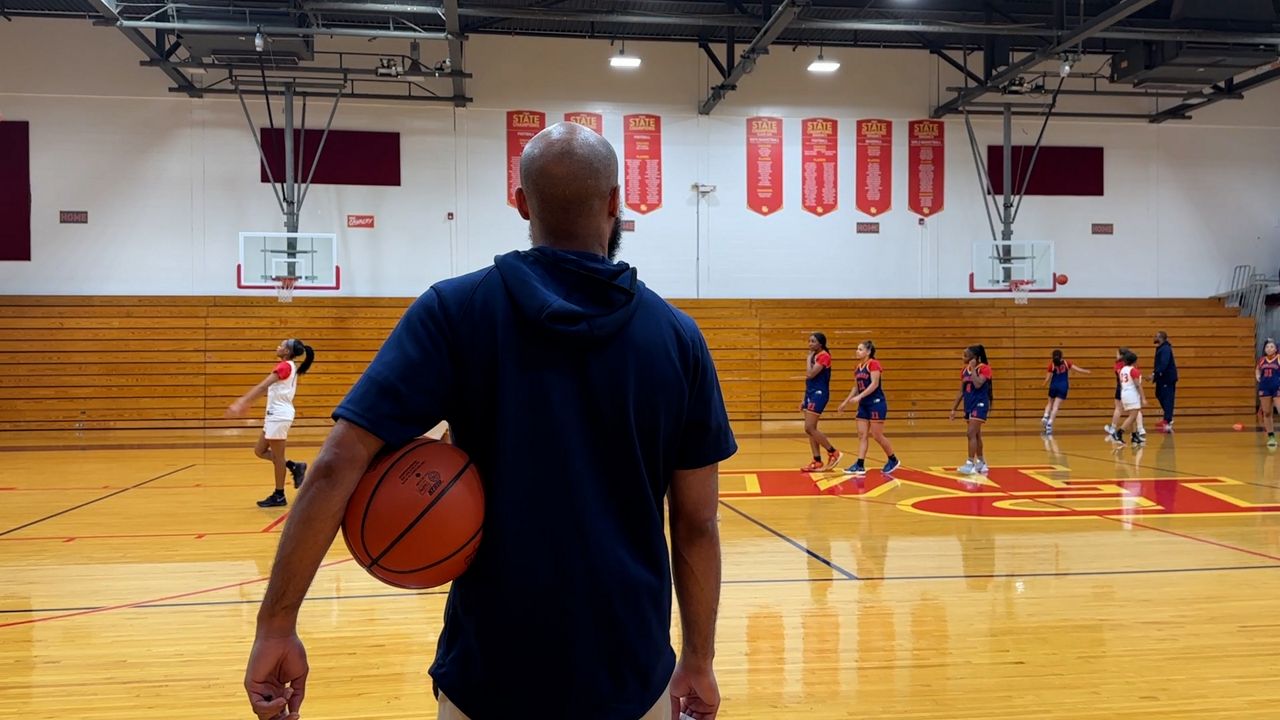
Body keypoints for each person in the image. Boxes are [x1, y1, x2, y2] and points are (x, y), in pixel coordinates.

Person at [242, 122, 737, 720]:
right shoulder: (679, 339)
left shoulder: (455, 312)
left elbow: (335, 466)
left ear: (521, 203)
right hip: (630, 675)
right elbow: (696, 525)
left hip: (488, 673)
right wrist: (700, 660)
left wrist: (276, 624)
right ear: (616, 203)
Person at [226, 338, 313, 507]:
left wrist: (242, 402)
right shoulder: (290, 366)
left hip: (279, 416)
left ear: (287, 352)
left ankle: (279, 495)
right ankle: (294, 466)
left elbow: (262, 387)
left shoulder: (284, 366)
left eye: (282, 345)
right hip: (274, 415)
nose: (278, 347)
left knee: (278, 457)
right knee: (259, 451)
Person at [837, 340, 899, 476]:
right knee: (862, 435)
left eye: (860, 349)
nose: (857, 351)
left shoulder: (874, 364)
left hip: (876, 403)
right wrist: (845, 402)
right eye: (857, 349)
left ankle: (893, 459)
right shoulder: (858, 366)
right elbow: (855, 387)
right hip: (864, 405)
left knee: (877, 435)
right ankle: (860, 464)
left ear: (868, 351)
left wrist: (859, 397)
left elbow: (874, 384)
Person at [800, 332, 842, 472]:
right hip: (810, 393)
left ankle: (833, 452)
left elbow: (811, 374)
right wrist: (804, 398)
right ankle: (817, 460)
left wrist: (808, 359)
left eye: (813, 341)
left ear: (821, 344)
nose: (810, 344)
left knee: (809, 427)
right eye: (809, 341)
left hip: (819, 394)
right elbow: (809, 381)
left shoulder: (824, 356)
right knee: (811, 430)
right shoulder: (815, 356)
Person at [949, 344, 992, 476]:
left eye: (966, 355)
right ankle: (981, 462)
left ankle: (970, 463)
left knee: (970, 433)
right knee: (976, 435)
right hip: (969, 404)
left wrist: (973, 368)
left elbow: (978, 384)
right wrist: (954, 408)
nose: (963, 357)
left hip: (980, 404)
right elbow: (961, 391)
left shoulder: (984, 368)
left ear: (974, 358)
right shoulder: (964, 371)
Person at [1040, 349, 1091, 435]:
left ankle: (1045, 416)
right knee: (1056, 406)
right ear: (1061, 356)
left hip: (1053, 386)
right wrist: (1087, 371)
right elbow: (1078, 370)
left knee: (1049, 403)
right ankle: (1049, 423)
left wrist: (1043, 384)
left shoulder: (1051, 365)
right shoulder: (1067, 363)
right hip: (1063, 387)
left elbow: (1047, 379)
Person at [1105, 347, 1146, 442]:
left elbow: (1121, 382)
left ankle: (1134, 435)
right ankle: (1119, 433)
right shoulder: (1133, 370)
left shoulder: (1122, 370)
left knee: (1132, 414)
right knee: (1133, 416)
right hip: (1132, 394)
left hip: (1124, 392)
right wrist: (1143, 398)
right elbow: (1138, 385)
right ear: (1134, 361)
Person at [1153, 330, 1178, 432]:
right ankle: (1168, 416)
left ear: (1161, 338)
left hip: (1167, 378)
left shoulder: (1166, 349)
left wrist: (1156, 373)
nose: (1154, 338)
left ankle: (1168, 420)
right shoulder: (1161, 348)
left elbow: (1164, 363)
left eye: (1156, 336)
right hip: (1162, 378)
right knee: (1159, 394)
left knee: (1167, 398)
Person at [1257, 338, 1279, 448]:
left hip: (1277, 387)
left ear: (1276, 349)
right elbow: (1257, 370)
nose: (1269, 348)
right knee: (1266, 412)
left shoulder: (1279, 358)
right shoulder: (1261, 360)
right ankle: (1271, 437)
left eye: (1271, 346)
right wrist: (1257, 376)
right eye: (1267, 347)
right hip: (1264, 388)